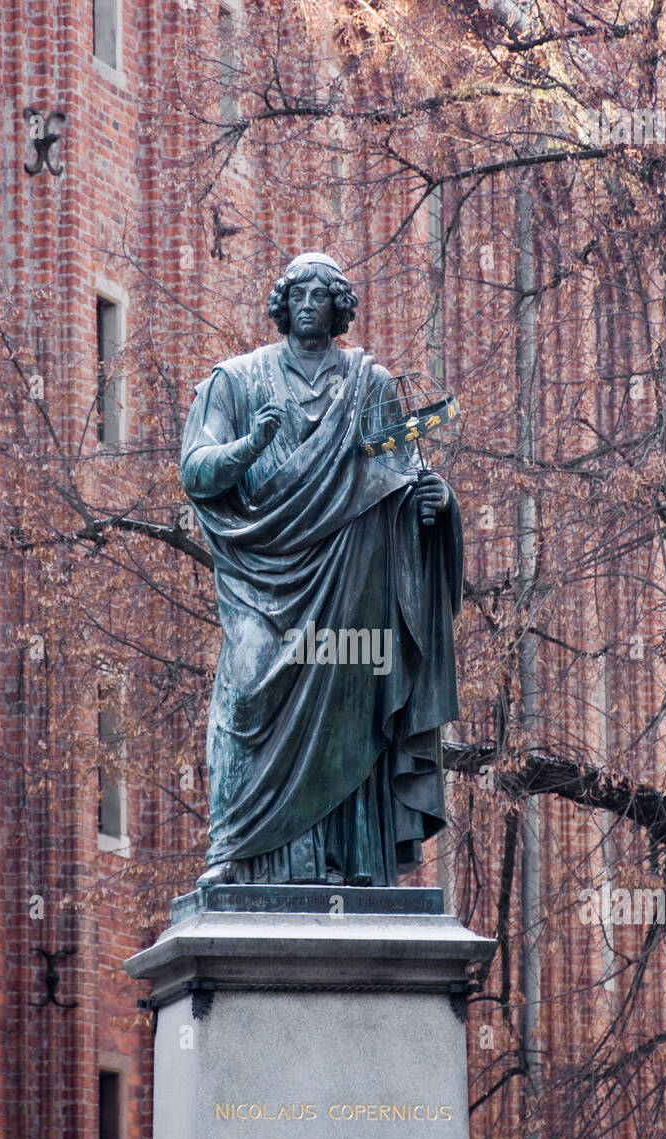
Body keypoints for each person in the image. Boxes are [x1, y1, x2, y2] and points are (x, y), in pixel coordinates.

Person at [179, 252, 462, 887]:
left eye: (322, 293)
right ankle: (236, 849)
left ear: (339, 307)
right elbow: (195, 469)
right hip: (263, 580)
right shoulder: (237, 381)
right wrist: (250, 446)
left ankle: (348, 862)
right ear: (282, 303)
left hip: (351, 582)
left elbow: (401, 481)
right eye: (298, 293)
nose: (309, 303)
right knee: (248, 686)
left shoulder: (373, 385)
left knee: (350, 703)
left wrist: (432, 508)